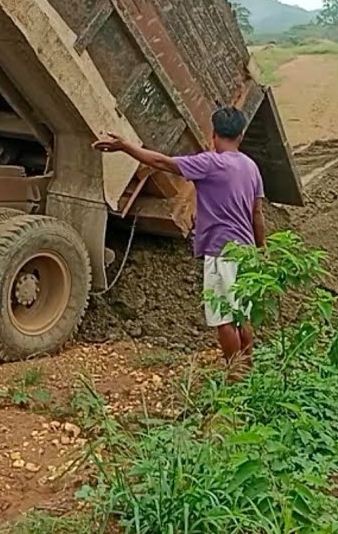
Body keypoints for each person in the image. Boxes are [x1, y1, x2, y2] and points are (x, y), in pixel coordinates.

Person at [92, 106, 267, 376]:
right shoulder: (251, 167)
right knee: (242, 312)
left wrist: (125, 146)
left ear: (213, 134)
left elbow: (163, 163)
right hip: (246, 252)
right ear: (241, 135)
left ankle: (235, 376)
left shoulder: (210, 163)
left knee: (224, 318)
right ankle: (249, 368)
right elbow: (257, 214)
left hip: (222, 251)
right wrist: (261, 249)